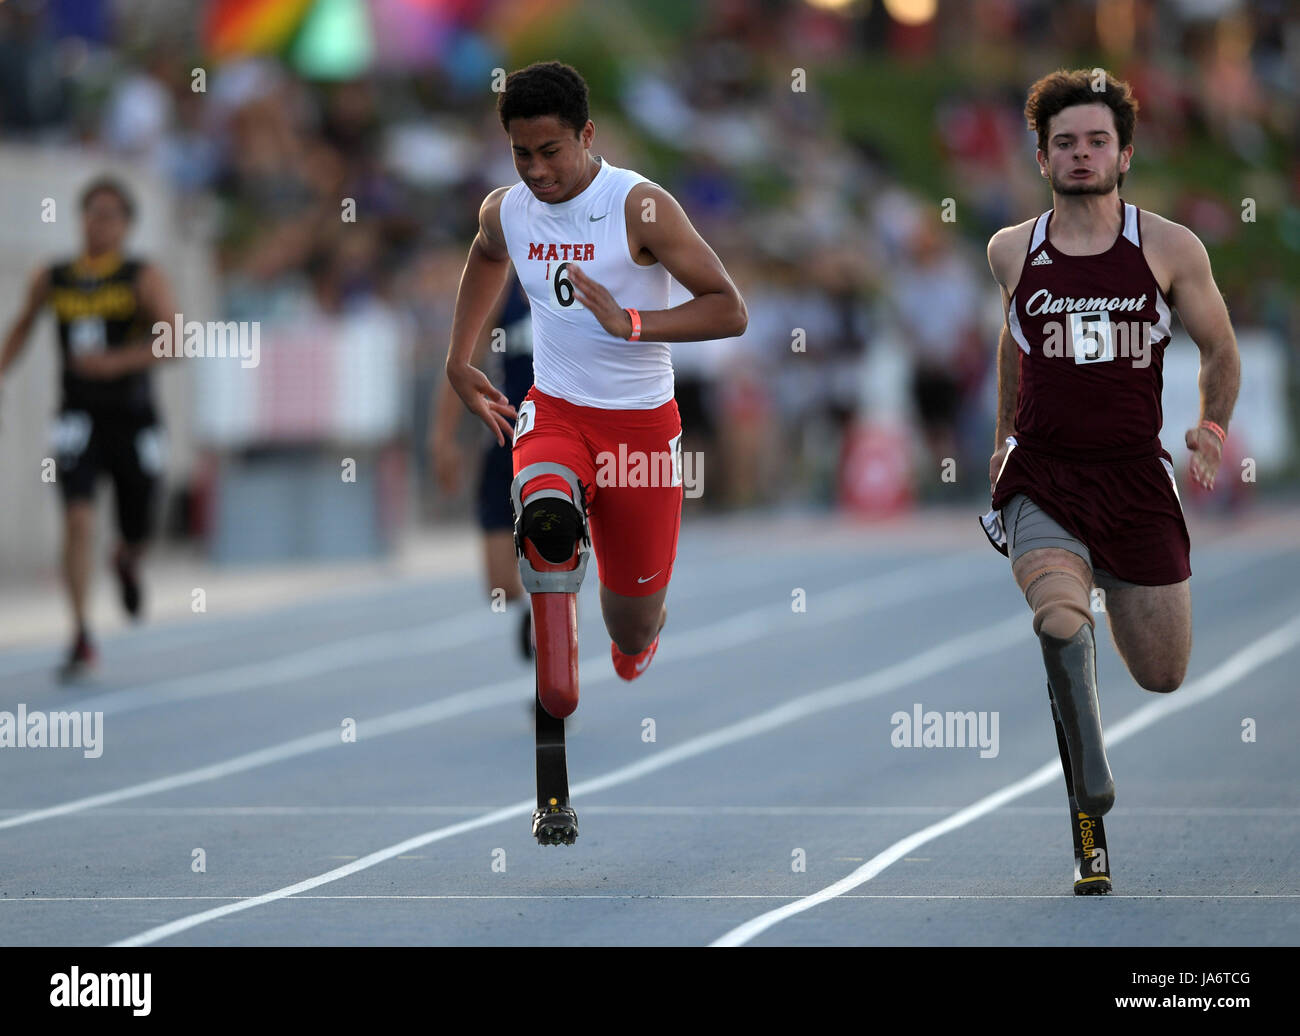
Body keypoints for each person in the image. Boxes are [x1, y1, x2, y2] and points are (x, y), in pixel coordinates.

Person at [441, 61, 746, 842]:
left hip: (642, 435)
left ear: (587, 136)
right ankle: (553, 778)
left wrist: (635, 325)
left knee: (634, 622)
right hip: (557, 415)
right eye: (521, 154)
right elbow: (485, 253)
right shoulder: (507, 210)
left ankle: (632, 637)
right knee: (544, 517)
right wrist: (460, 358)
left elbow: (728, 309)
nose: (537, 171)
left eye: (550, 151)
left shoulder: (639, 206)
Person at [981, 69, 1241, 893]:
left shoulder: (1168, 247)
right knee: (1061, 621)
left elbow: (1221, 349)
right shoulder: (1012, 249)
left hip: (1135, 479)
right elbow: (1012, 341)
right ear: (1041, 156)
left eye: (1096, 141)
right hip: (1044, 476)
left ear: (1124, 152)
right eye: (1065, 143)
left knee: (1162, 671)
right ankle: (1088, 806)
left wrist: (1211, 428)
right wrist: (1000, 440)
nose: (1081, 154)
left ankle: (1090, 752)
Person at [0, 176, 178, 681]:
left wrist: (117, 362)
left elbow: (176, 339)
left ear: (126, 226)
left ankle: (128, 557)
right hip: (77, 417)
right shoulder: (54, 276)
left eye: (110, 214)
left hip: (134, 417)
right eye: (91, 212)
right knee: (77, 519)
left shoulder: (142, 276)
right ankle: (80, 632)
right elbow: (22, 323)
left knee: (139, 518)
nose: (98, 223)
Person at [430, 277, 536, 661]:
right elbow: (461, 364)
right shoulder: (500, 292)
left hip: (561, 443)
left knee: (552, 561)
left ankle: (556, 665)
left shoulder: (582, 283)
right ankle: (534, 611)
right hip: (506, 441)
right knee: (500, 585)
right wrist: (442, 439)